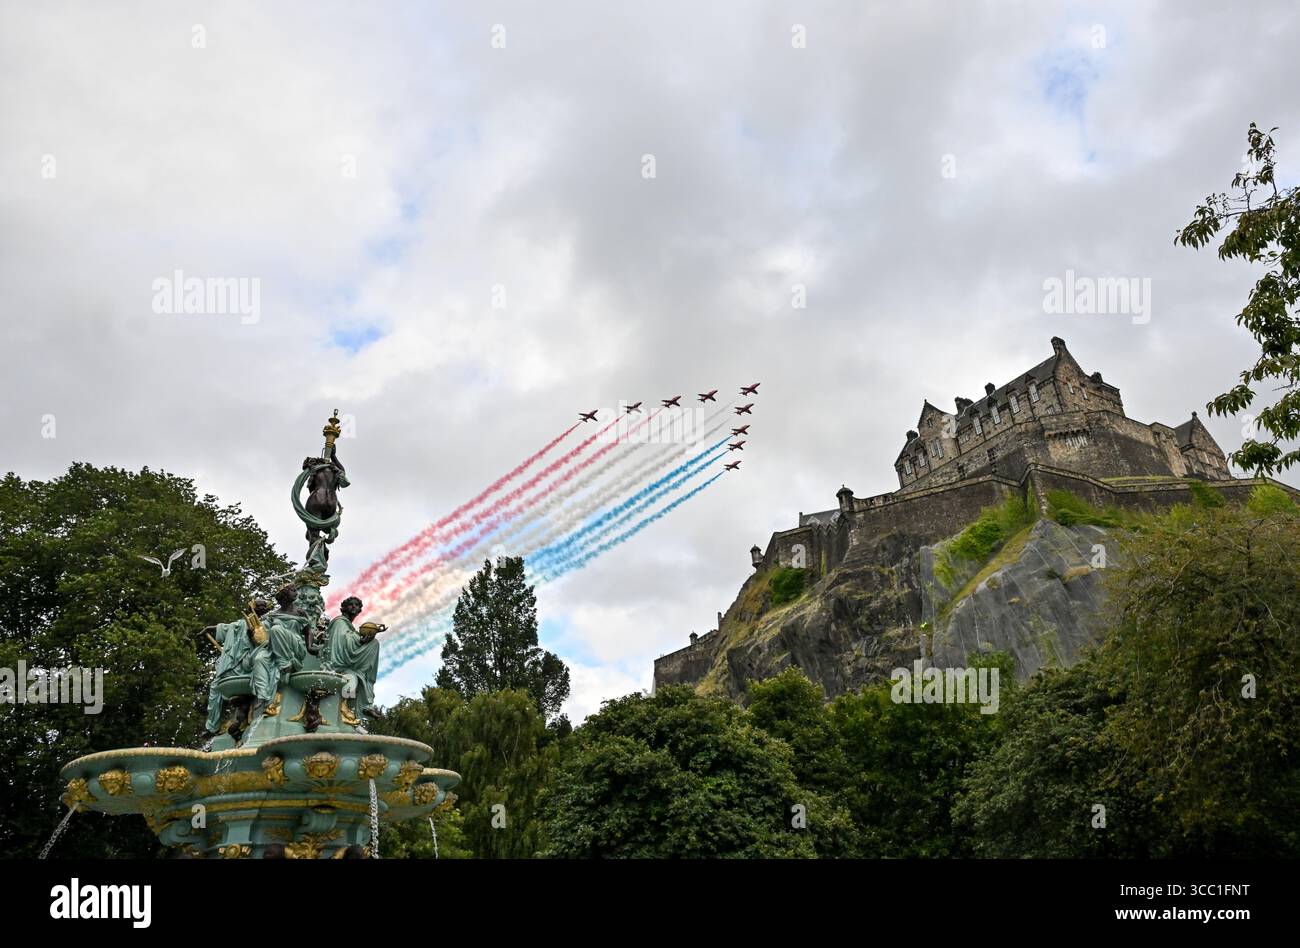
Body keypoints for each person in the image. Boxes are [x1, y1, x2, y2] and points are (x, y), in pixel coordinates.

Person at [198, 598, 272, 737]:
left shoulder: (265, 624)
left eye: (262, 607)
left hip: (248, 661)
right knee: (215, 688)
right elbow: (224, 628)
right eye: (258, 605)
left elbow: (264, 644)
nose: (259, 608)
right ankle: (212, 726)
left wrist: (253, 635)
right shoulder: (238, 624)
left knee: (258, 664)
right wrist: (208, 629)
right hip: (231, 664)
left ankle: (258, 703)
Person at [324, 596, 382, 722]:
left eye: (357, 605)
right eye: (351, 604)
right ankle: (360, 702)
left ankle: (366, 697)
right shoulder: (339, 622)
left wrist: (365, 637)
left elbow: (349, 638)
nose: (354, 607)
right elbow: (343, 642)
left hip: (349, 661)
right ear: (344, 608)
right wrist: (360, 640)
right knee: (373, 644)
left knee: (374, 644)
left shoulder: (349, 627)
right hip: (338, 662)